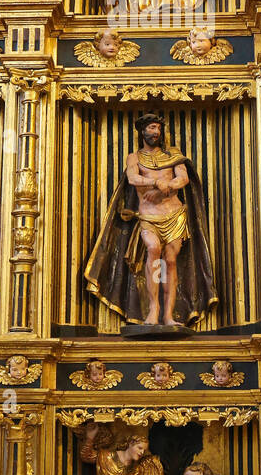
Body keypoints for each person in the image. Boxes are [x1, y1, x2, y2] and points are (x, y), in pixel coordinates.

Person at [86, 112, 216, 328]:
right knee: (153, 249)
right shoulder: (134, 157)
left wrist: (168, 187)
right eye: (150, 128)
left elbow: (182, 178)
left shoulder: (173, 154)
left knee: (171, 261)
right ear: (142, 131)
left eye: (157, 128)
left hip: (174, 215)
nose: (154, 132)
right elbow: (132, 178)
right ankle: (153, 310)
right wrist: (157, 184)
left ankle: (168, 315)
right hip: (148, 216)